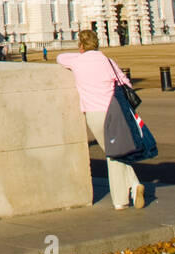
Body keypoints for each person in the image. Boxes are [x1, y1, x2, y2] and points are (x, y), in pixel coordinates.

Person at [56, 29, 144, 210]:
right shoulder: (107, 61)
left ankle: (121, 199)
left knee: (113, 154)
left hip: (93, 113)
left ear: (80, 45)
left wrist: (81, 53)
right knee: (116, 152)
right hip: (115, 111)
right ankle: (134, 186)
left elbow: (60, 57)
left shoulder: (76, 61)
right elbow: (126, 83)